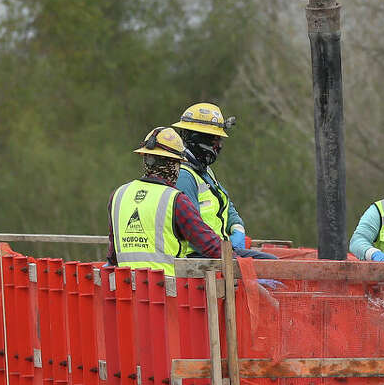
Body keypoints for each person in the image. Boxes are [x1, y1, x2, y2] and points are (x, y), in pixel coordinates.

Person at [110, 127, 222, 273]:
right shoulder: (176, 200)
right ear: (173, 164)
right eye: (178, 163)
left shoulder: (118, 195)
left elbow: (113, 255)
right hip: (168, 290)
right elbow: (209, 245)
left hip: (128, 290)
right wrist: (238, 259)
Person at [172, 102, 271, 258]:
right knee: (271, 266)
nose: (218, 145)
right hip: (200, 257)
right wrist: (226, 253)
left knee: (270, 264)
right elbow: (191, 230)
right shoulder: (185, 176)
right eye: (214, 139)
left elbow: (224, 202)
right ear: (196, 138)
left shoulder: (203, 170)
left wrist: (237, 227)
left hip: (217, 252)